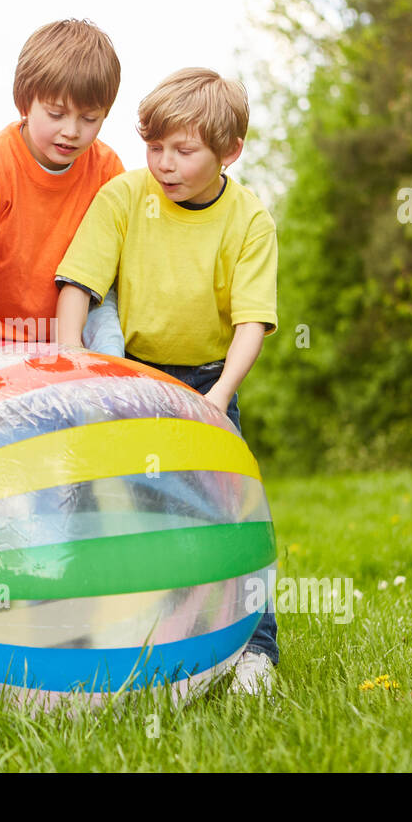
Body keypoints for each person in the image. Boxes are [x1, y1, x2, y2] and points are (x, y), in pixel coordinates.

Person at [54, 67, 281, 694]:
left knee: (226, 518)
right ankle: (88, 635)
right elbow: (79, 282)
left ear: (229, 152)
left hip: (208, 380)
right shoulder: (126, 197)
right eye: (155, 147)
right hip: (131, 376)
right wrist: (74, 359)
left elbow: (252, 322)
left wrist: (219, 397)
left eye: (183, 151)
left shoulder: (250, 221)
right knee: (99, 507)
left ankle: (256, 650)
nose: (164, 163)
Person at [0, 19, 125, 355]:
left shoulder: (108, 172)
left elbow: (103, 293)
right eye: (56, 113)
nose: (71, 131)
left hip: (64, 348)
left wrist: (109, 365)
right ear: (25, 103)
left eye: (89, 119)